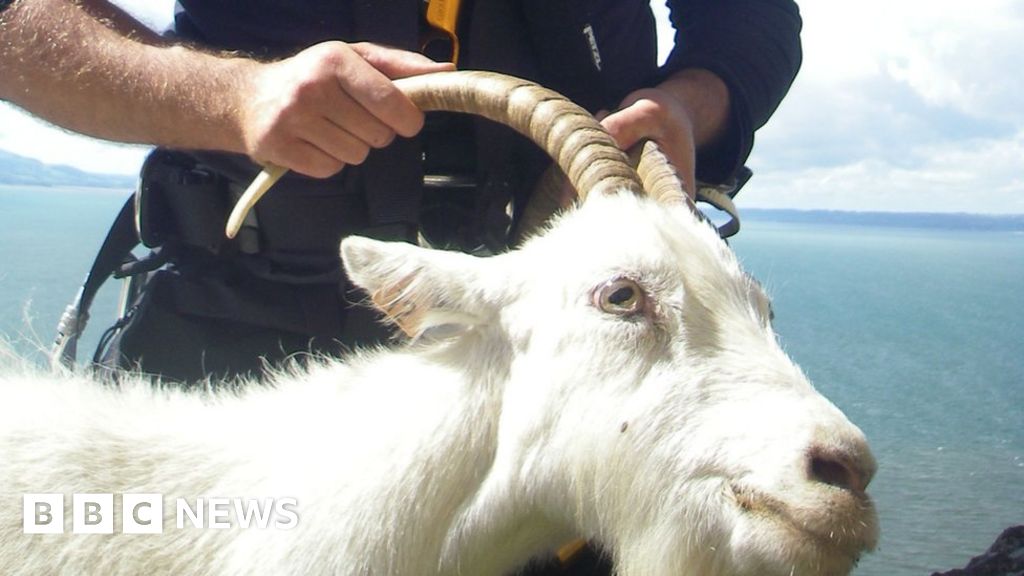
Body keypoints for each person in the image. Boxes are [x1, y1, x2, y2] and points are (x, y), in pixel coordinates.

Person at [1, 0, 800, 569]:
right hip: (230, 352)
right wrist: (232, 97)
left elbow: (749, 17)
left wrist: (691, 102)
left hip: (574, 365)